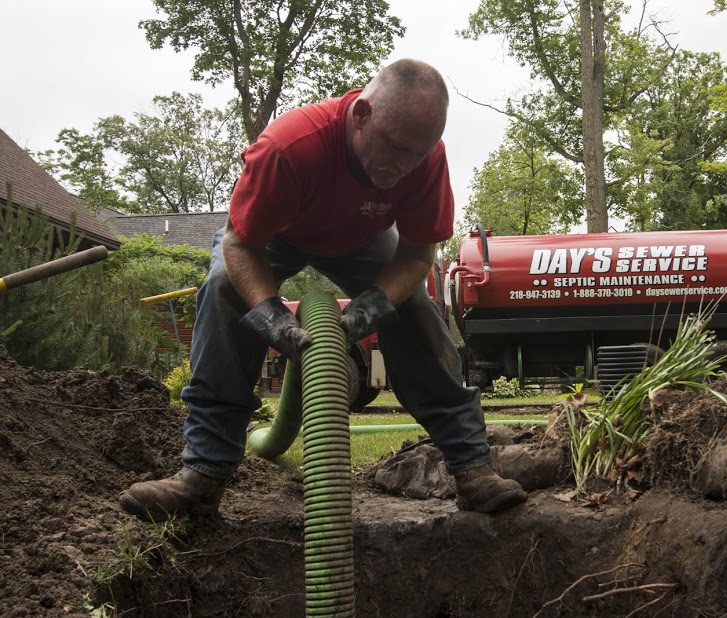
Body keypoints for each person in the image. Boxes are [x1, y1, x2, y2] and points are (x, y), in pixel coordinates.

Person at [119, 59, 527, 521]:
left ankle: (472, 469)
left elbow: (416, 256)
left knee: (414, 308)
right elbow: (239, 242)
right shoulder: (290, 146)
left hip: (361, 235)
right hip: (275, 233)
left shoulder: (425, 159)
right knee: (221, 292)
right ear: (361, 115)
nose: (403, 166)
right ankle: (201, 479)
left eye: (417, 154)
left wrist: (372, 307)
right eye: (394, 147)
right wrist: (269, 313)